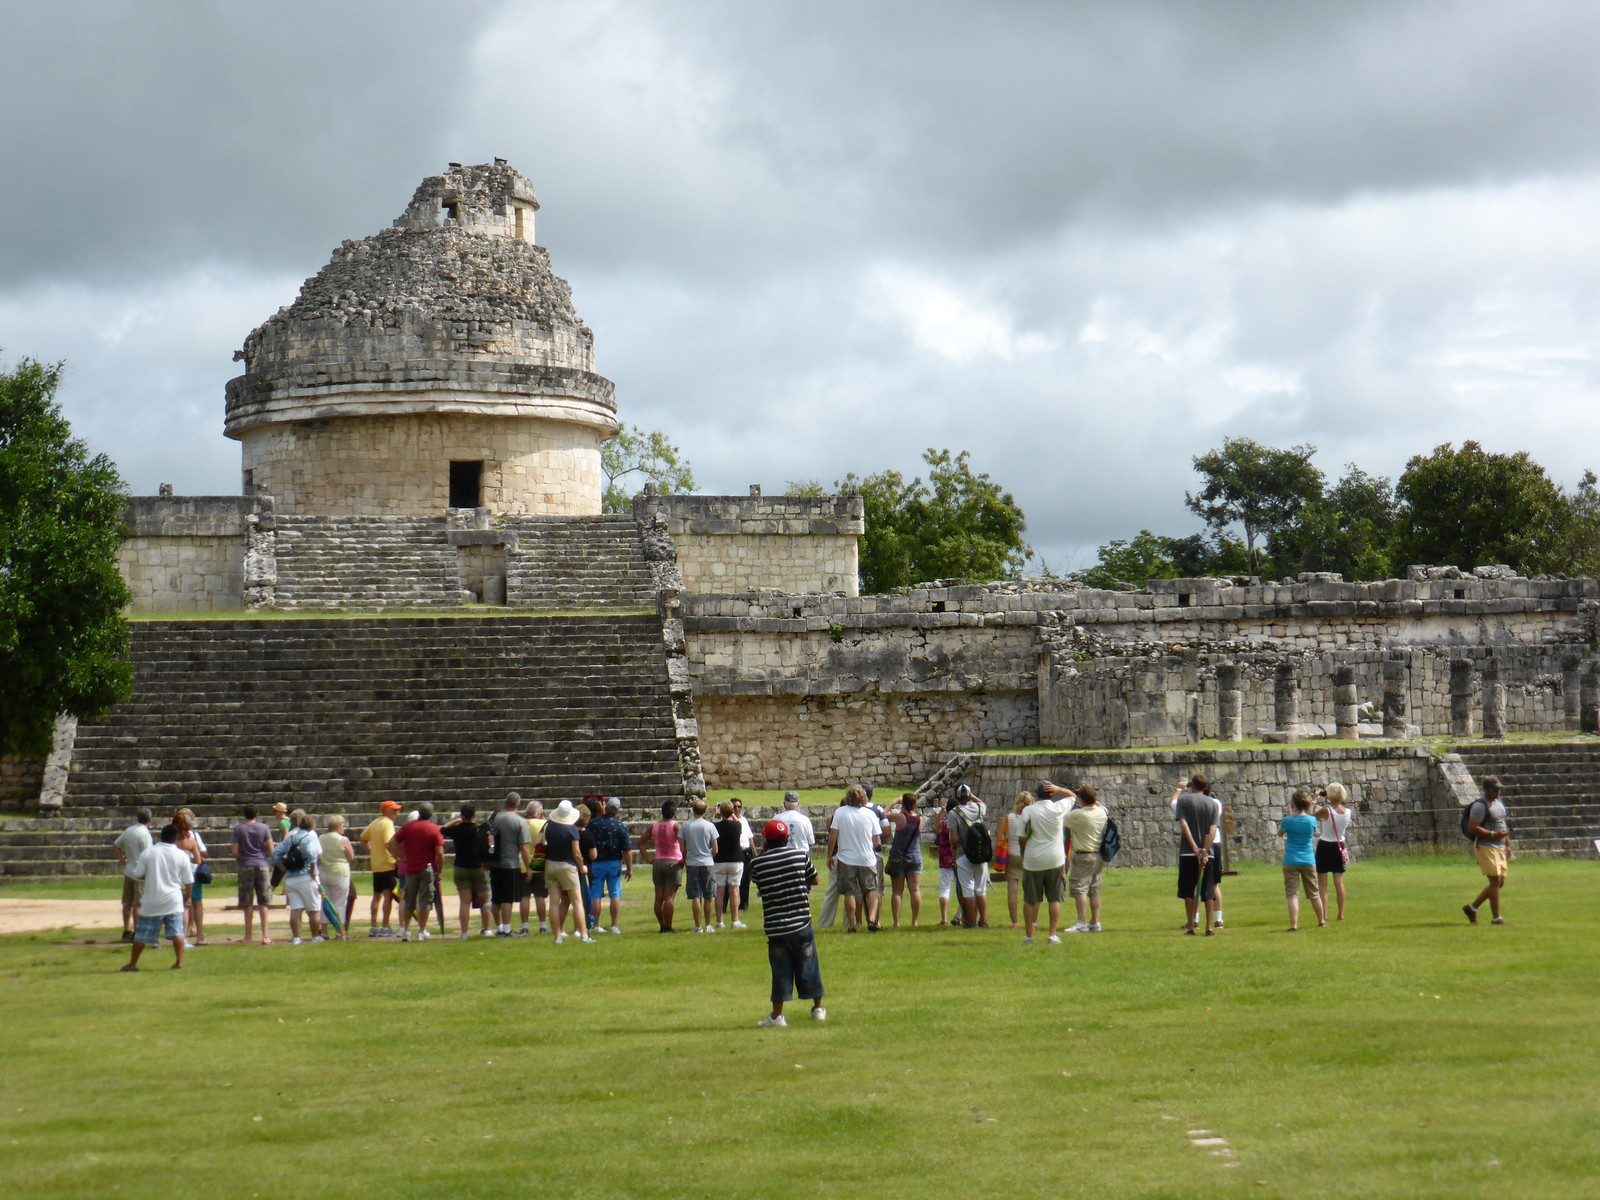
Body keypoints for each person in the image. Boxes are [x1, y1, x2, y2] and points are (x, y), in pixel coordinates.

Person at [747, 818, 825, 1027]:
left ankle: (777, 1016)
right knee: (810, 965)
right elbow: (815, 879)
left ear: (767, 841)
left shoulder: (758, 863)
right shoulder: (800, 856)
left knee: (780, 970)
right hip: (801, 922)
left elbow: (760, 885)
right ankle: (818, 1008)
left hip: (776, 926)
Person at [122, 824, 194, 972]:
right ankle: (179, 962)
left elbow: (137, 874)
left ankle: (133, 964)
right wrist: (188, 897)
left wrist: (150, 874)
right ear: (176, 838)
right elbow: (188, 880)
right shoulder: (182, 855)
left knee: (141, 935)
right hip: (173, 900)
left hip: (151, 900)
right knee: (177, 933)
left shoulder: (149, 853)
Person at [1019, 781, 1074, 944]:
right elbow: (1073, 796)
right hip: (1055, 858)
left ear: (1036, 795)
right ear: (1052, 794)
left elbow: (1022, 838)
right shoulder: (1058, 808)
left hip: (1033, 859)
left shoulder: (1028, 810)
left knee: (1030, 899)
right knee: (1054, 899)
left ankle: (1029, 936)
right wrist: (1059, 789)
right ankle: (1052, 934)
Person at [827, 784, 882, 933]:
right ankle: (871, 919)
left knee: (850, 892)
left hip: (846, 858)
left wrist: (829, 855)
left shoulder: (840, 812)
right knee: (871, 889)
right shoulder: (870, 814)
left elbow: (833, 835)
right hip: (867, 858)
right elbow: (876, 839)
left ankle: (852, 924)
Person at [539, 800, 594, 943]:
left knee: (554, 903)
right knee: (577, 901)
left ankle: (557, 937)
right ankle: (583, 935)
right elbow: (576, 853)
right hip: (567, 866)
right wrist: (581, 866)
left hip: (550, 864)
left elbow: (539, 842)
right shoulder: (571, 830)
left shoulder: (549, 826)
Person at [388, 800, 444, 942]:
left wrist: (400, 856)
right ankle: (421, 931)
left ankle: (406, 930)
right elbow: (440, 853)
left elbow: (391, 843)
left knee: (409, 899)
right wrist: (440, 870)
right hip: (426, 868)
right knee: (425, 901)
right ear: (431, 814)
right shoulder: (433, 829)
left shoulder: (408, 827)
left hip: (410, 868)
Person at [1173, 775, 1222, 936]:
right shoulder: (1212, 803)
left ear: (1192, 785)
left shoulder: (1184, 801)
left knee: (1188, 889)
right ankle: (1209, 926)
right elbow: (1213, 829)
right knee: (1208, 890)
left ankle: (1191, 925)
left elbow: (1183, 823)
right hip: (1208, 853)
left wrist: (1194, 847)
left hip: (1188, 851)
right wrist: (1205, 849)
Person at [440, 804, 494, 940]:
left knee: (465, 902)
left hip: (460, 867)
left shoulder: (457, 830)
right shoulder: (478, 830)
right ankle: (487, 929)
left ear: (462, 815)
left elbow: (442, 829)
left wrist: (456, 821)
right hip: (477, 867)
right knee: (485, 900)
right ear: (474, 816)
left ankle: (464, 933)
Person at [1463, 776, 1512, 926]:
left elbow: (1502, 824)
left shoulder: (1499, 803)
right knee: (1495, 881)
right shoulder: (1480, 806)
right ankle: (1497, 919)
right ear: (1486, 790)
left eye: (1499, 790)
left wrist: (1508, 845)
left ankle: (1472, 908)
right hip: (1485, 845)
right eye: (1494, 790)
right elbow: (1473, 827)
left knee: (1500, 882)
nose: (1498, 793)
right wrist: (1492, 835)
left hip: (1499, 846)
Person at [273, 811, 325, 944]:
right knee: (313, 909)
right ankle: (315, 936)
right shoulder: (310, 837)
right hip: (306, 876)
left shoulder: (290, 837)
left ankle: (296, 937)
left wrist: (283, 868)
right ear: (311, 826)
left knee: (296, 908)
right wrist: (313, 868)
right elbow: (312, 853)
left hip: (291, 878)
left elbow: (275, 854)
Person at [1063, 784, 1109, 934]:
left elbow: (1061, 820)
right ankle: (1095, 921)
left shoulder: (1077, 815)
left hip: (1083, 854)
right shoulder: (1102, 813)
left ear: (1081, 800)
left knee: (1080, 889)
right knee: (1094, 890)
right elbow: (1101, 807)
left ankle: (1081, 923)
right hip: (1098, 855)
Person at [1279, 791, 1326, 931]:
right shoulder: (1311, 820)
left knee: (1292, 894)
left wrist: (1288, 816)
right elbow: (1310, 831)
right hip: (1308, 859)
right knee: (1314, 892)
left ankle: (1294, 925)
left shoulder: (1288, 821)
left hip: (1291, 859)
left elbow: (1280, 833)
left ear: (1293, 804)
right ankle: (1321, 921)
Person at [488, 794, 532, 937]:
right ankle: (507, 929)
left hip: (495, 863)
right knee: (507, 898)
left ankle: (500, 928)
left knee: (496, 898)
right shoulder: (519, 821)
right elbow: (524, 847)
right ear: (518, 805)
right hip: (510, 863)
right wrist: (528, 867)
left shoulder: (495, 818)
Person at [231, 804, 275, 945]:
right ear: (256, 814)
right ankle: (265, 936)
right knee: (263, 902)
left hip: (246, 865)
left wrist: (242, 859)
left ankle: (248, 935)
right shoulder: (264, 828)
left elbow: (234, 852)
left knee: (247, 902)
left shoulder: (238, 830)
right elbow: (270, 848)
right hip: (261, 865)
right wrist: (264, 856)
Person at [588, 798, 633, 935]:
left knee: (595, 894)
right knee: (615, 893)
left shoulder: (593, 824)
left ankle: (595, 924)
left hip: (596, 862)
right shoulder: (619, 825)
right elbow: (627, 849)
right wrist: (629, 868)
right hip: (613, 862)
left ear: (605, 807)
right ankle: (614, 925)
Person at [948, 784, 991, 929]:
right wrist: (971, 794)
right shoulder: (979, 808)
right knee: (981, 889)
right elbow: (982, 803)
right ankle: (983, 921)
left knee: (968, 889)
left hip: (963, 853)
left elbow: (953, 839)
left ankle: (971, 922)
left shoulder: (954, 813)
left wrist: (953, 849)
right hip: (981, 853)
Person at [361, 799, 403, 937]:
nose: (396, 812)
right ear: (387, 811)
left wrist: (372, 852)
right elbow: (389, 844)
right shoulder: (387, 824)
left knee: (376, 896)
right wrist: (397, 858)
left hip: (376, 865)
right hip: (387, 864)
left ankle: (373, 926)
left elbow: (363, 838)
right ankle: (385, 926)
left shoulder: (375, 823)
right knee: (387, 896)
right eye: (394, 810)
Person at [113, 808, 153, 942]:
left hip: (129, 869)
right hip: (140, 872)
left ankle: (126, 929)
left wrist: (122, 861)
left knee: (127, 902)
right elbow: (148, 855)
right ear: (150, 820)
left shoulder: (129, 831)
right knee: (138, 903)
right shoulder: (145, 834)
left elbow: (116, 845)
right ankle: (138, 932)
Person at [643, 800, 684, 933]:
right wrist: (684, 859)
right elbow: (684, 843)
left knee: (658, 898)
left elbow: (640, 842)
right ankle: (668, 925)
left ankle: (662, 925)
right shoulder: (675, 826)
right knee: (669, 898)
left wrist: (648, 859)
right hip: (673, 862)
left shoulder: (654, 826)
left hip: (658, 862)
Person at [1314, 783, 1353, 921]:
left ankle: (1324, 915)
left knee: (1323, 884)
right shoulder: (1347, 812)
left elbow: (1311, 816)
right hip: (1339, 845)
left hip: (1325, 845)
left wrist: (1314, 800)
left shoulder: (1326, 811)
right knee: (1338, 882)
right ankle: (1340, 914)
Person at [884, 793, 923, 927]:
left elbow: (883, 815)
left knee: (897, 891)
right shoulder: (920, 819)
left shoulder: (900, 817)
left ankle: (896, 922)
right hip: (915, 857)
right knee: (915, 890)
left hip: (898, 857)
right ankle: (915, 921)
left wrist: (894, 801)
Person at [681, 798, 720, 934]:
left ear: (693, 810)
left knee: (696, 896)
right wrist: (708, 855)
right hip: (707, 862)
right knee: (708, 895)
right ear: (705, 811)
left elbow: (682, 847)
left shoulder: (686, 826)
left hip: (692, 862)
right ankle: (708, 925)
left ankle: (697, 926)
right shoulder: (710, 826)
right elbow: (715, 849)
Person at [173, 808, 208, 945]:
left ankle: (181, 936)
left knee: (182, 907)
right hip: (191, 874)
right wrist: (187, 859)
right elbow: (199, 860)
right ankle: (199, 935)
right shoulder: (191, 839)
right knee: (196, 903)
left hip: (176, 876)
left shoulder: (173, 840)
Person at [319, 815, 356, 940]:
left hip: (323, 872)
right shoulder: (343, 840)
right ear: (339, 826)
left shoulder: (321, 838)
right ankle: (339, 931)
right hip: (340, 873)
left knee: (325, 902)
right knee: (339, 903)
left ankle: (323, 930)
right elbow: (351, 857)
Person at [712, 801, 747, 930]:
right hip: (735, 859)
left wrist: (713, 814)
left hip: (720, 859)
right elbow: (737, 822)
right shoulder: (737, 825)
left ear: (721, 813)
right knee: (734, 891)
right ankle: (735, 920)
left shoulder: (715, 826)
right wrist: (732, 814)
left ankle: (719, 921)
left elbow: (710, 826)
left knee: (719, 892)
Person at [521, 799, 548, 935]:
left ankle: (524, 925)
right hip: (539, 860)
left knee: (524, 896)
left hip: (523, 862)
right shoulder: (544, 824)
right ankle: (543, 925)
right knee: (540, 896)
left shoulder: (521, 823)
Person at [934, 798, 959, 926]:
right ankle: (960, 915)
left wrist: (940, 814)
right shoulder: (959, 823)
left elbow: (936, 830)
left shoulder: (944, 824)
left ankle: (944, 919)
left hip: (944, 858)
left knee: (945, 887)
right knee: (961, 887)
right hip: (957, 857)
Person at [732, 797, 756, 914]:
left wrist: (754, 852)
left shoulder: (744, 820)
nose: (737, 809)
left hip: (746, 852)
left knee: (746, 880)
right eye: (734, 806)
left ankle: (744, 904)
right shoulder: (729, 821)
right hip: (735, 851)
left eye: (739, 806)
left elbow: (749, 837)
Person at [773, 791, 815, 857]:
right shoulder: (805, 820)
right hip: (801, 856)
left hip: (782, 856)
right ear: (798, 804)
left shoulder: (776, 819)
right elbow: (811, 842)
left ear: (784, 804)